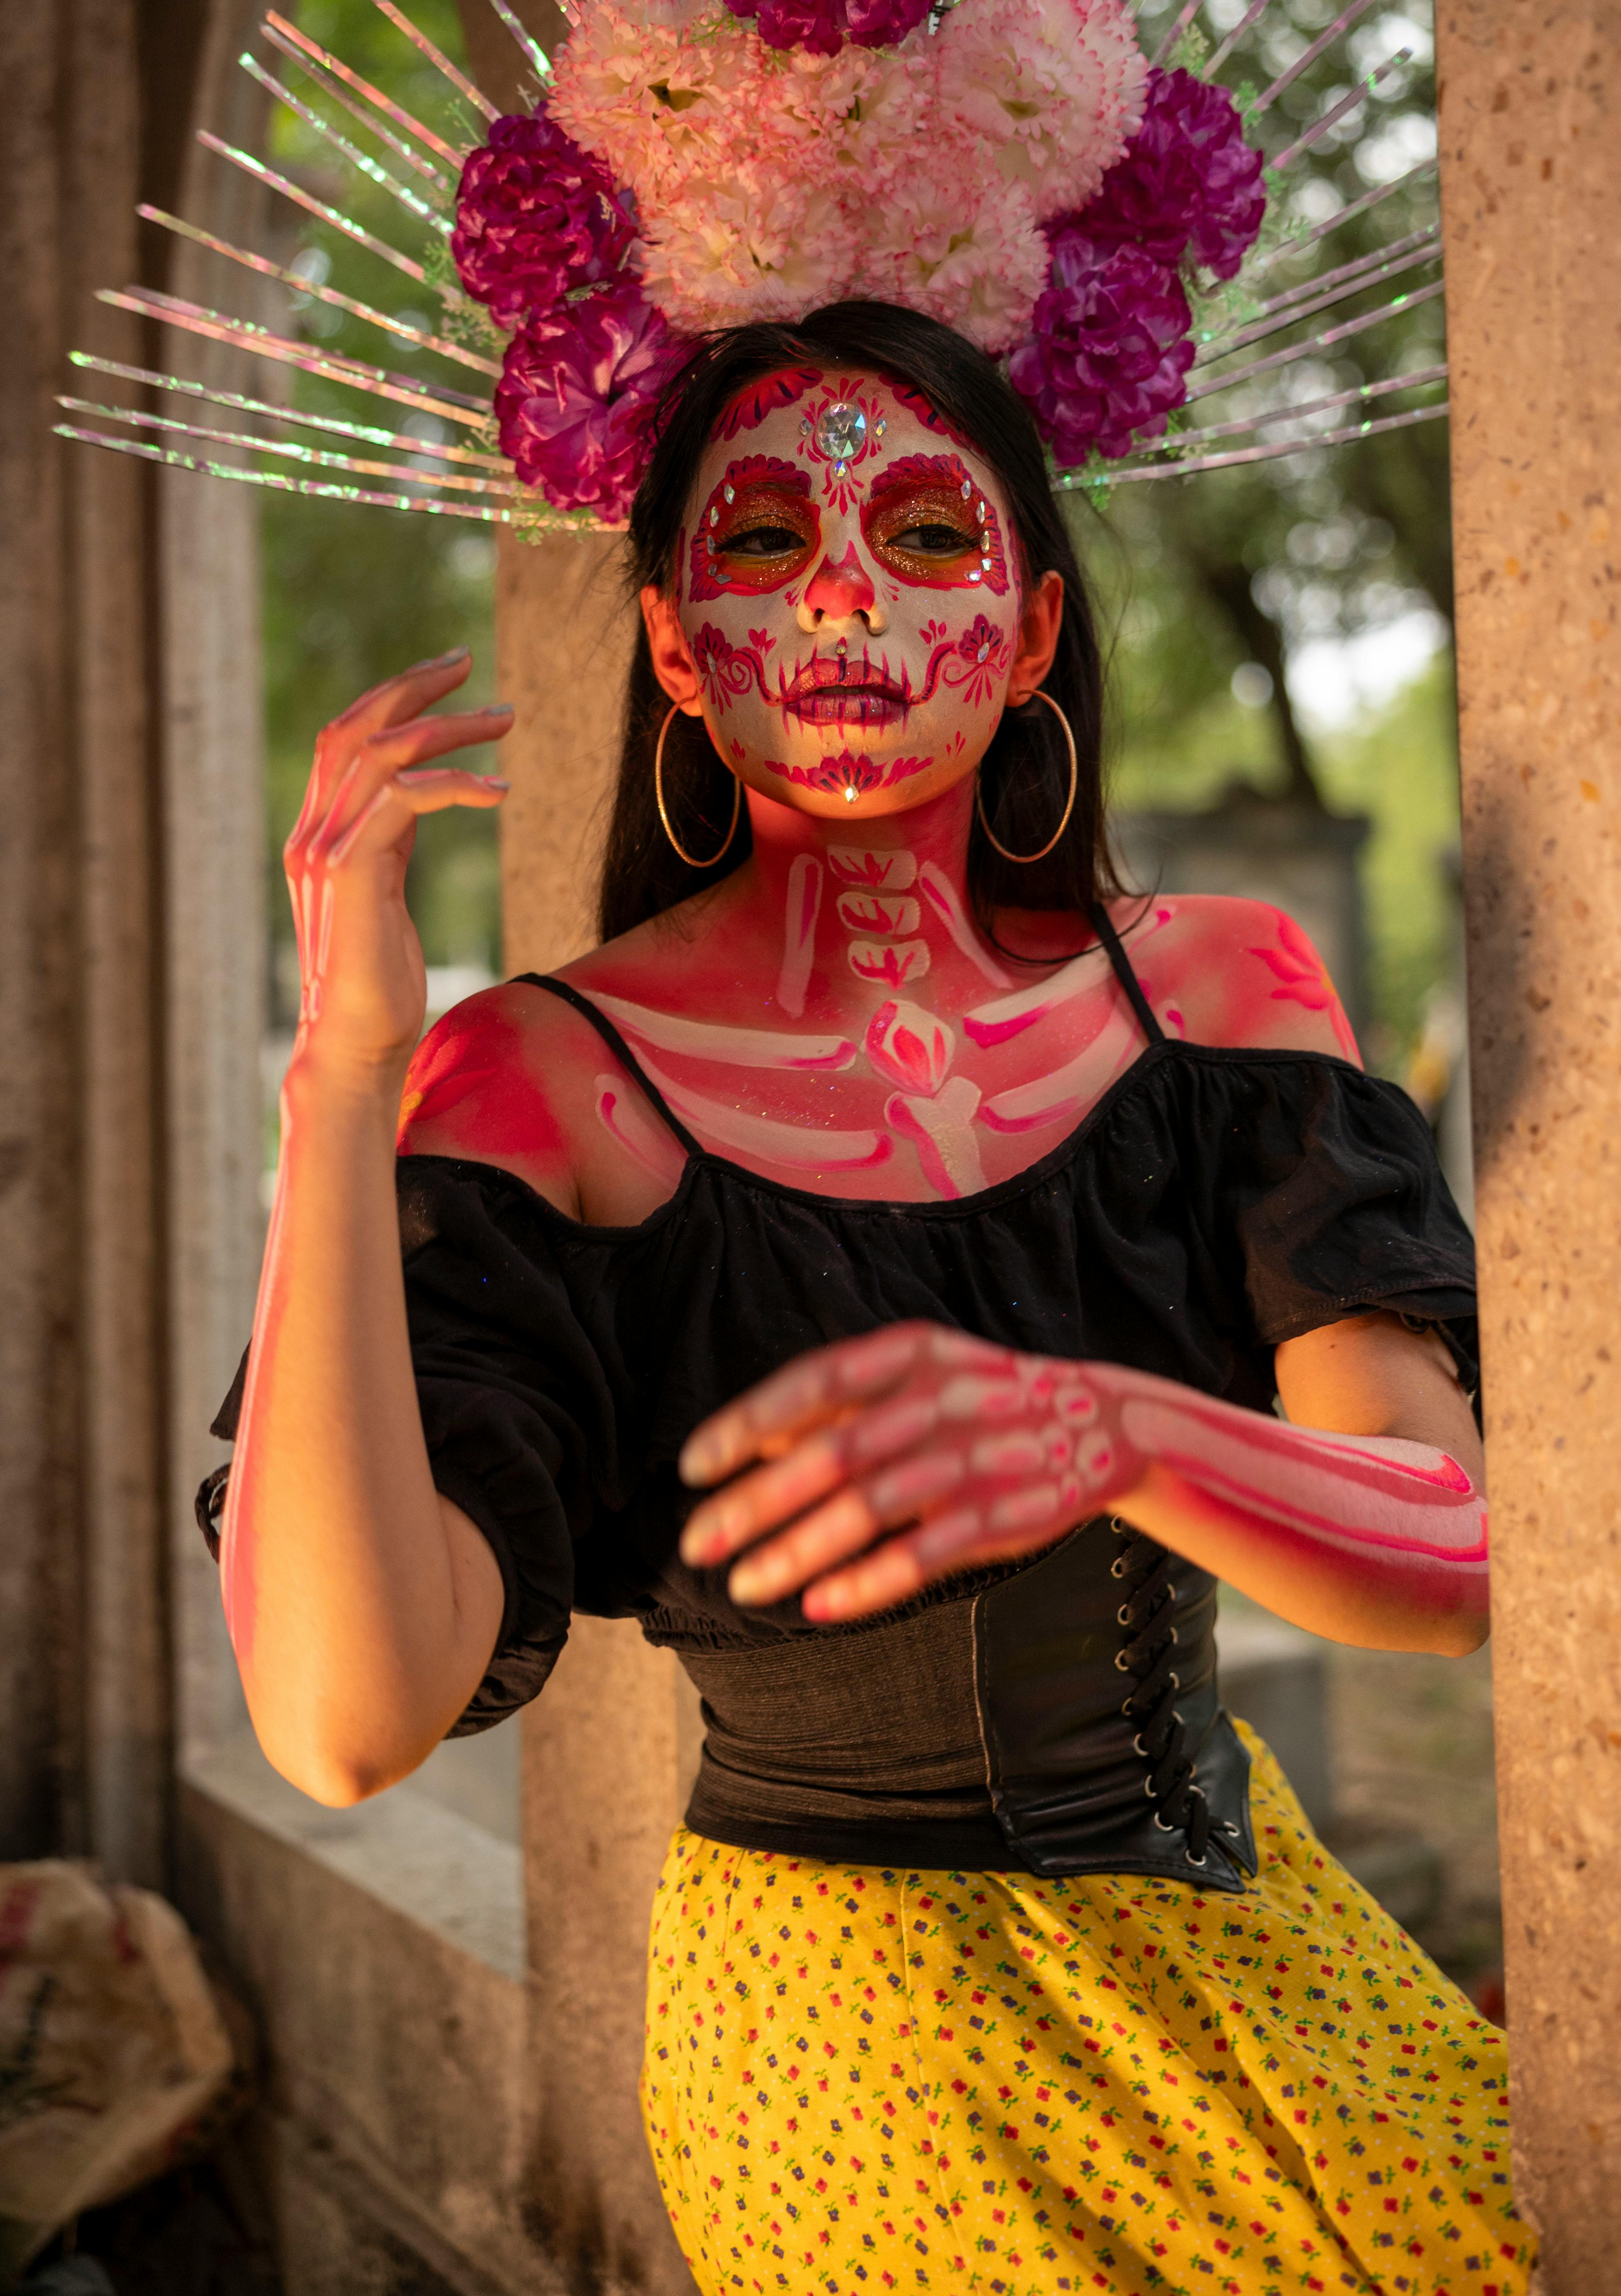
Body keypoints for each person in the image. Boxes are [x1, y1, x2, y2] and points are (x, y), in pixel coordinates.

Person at [200, 300, 1531, 2296]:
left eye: (923, 532)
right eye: (758, 542)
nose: (839, 591)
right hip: (850, 2042)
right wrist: (339, 1085)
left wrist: (1115, 1431)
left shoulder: (1228, 997)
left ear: (1037, 630)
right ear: (670, 641)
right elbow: (342, 1721)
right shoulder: (547, 1087)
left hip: (1265, 1951)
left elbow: (1453, 1555)